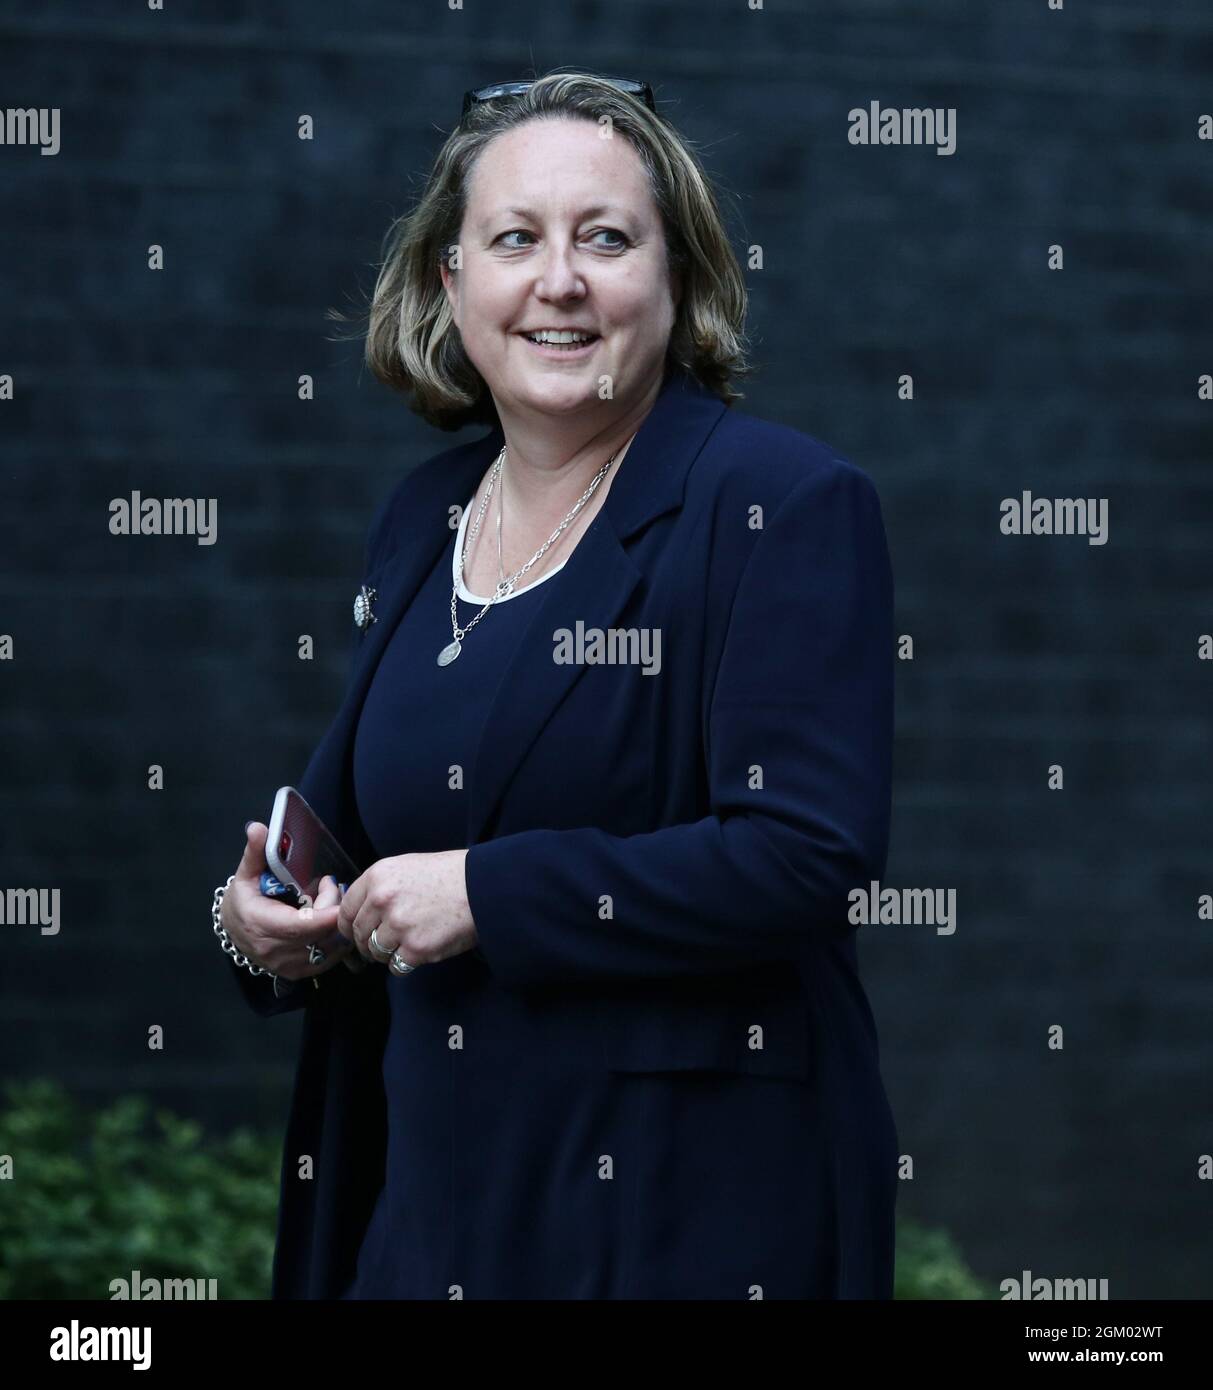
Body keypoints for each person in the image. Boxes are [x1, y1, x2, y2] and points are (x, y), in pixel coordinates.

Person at [213, 68, 899, 1300]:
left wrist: (487, 891)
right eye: (514, 239)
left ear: (675, 277)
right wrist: (270, 922)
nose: (559, 281)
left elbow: (805, 852)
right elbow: (353, 832)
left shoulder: (779, 505)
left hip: (679, 1218)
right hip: (429, 1210)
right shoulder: (425, 518)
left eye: (606, 239)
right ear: (451, 283)